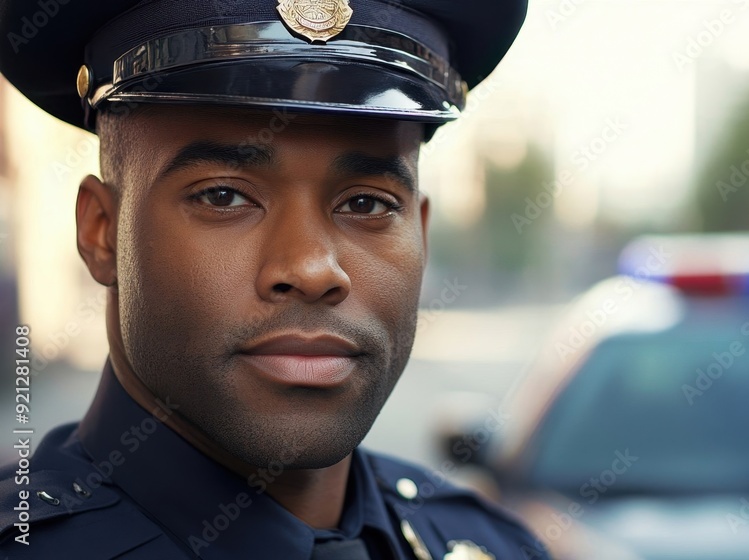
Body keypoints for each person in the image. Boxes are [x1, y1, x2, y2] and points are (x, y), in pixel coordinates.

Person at [0, 1, 550, 558]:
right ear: (102, 233)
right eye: (224, 196)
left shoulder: (492, 546)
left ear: (422, 239)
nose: (313, 270)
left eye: (366, 203)